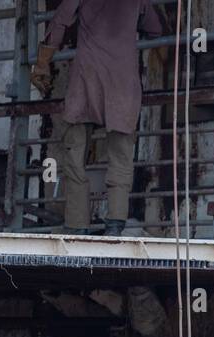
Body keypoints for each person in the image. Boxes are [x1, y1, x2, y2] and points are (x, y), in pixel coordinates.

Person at [32, 0, 164, 234]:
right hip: (123, 83)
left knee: (74, 155)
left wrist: (42, 62)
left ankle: (77, 223)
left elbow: (60, 20)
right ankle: (115, 223)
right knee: (121, 156)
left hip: (86, 80)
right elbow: (155, 29)